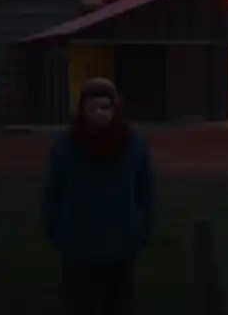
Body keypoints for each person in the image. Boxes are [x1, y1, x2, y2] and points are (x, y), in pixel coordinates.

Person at [43, 77, 154, 315]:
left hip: (121, 244)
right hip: (78, 245)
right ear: (83, 109)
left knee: (119, 305)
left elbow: (145, 190)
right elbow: (53, 190)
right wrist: (57, 230)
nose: (100, 113)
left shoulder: (132, 143)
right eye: (93, 107)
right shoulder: (67, 144)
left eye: (106, 107)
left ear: (116, 108)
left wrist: (140, 230)